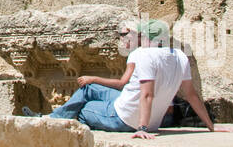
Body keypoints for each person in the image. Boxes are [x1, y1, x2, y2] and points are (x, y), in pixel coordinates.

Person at [49, 18, 220, 137]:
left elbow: (147, 94)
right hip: (154, 120)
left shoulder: (142, 54)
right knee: (89, 88)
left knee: (84, 109)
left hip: (125, 119)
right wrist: (211, 126)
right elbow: (192, 95)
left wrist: (142, 128)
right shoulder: (180, 56)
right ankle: (52, 117)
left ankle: (52, 122)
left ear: (147, 37)